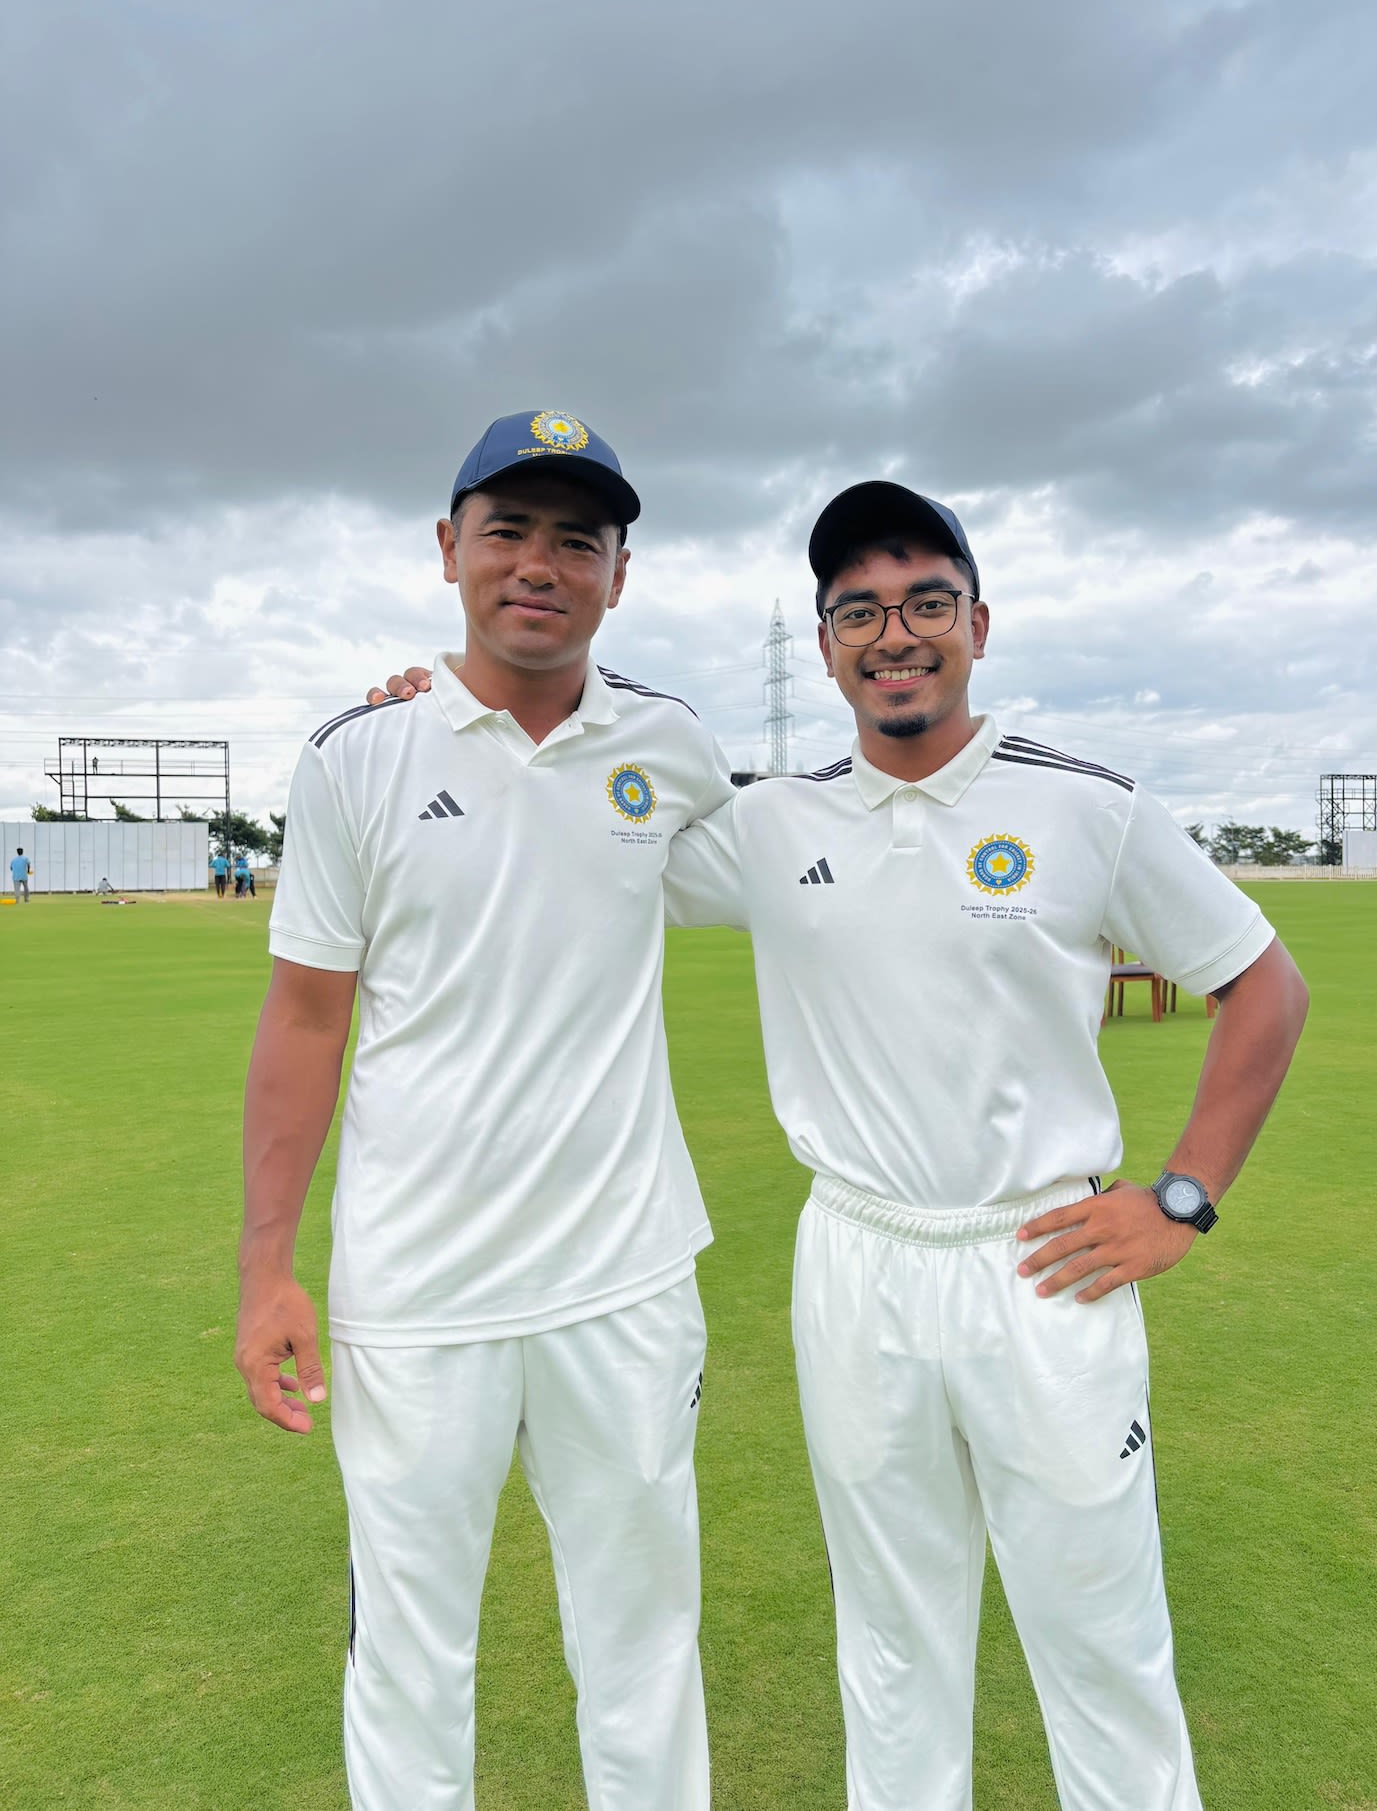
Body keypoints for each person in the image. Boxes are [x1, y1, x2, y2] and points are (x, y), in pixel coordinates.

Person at [655, 481, 1310, 1810]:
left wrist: (1183, 1199)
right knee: (893, 1649)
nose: (895, 635)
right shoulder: (771, 825)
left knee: (1102, 1637)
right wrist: (440, 709)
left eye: (925, 604)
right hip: (856, 1254)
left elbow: (1264, 982)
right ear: (828, 643)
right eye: (860, 612)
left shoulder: (1086, 807)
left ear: (978, 624)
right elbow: (584, 817)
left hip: (1043, 1259)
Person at [237, 411, 733, 1811]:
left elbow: (810, 872)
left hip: (621, 1280)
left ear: (619, 576)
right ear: (449, 547)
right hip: (417, 1290)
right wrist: (267, 1267)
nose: (540, 565)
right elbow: (303, 1019)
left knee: (642, 1647)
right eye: (508, 530)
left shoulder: (671, 743)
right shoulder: (358, 756)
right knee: (408, 1656)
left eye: (579, 540)